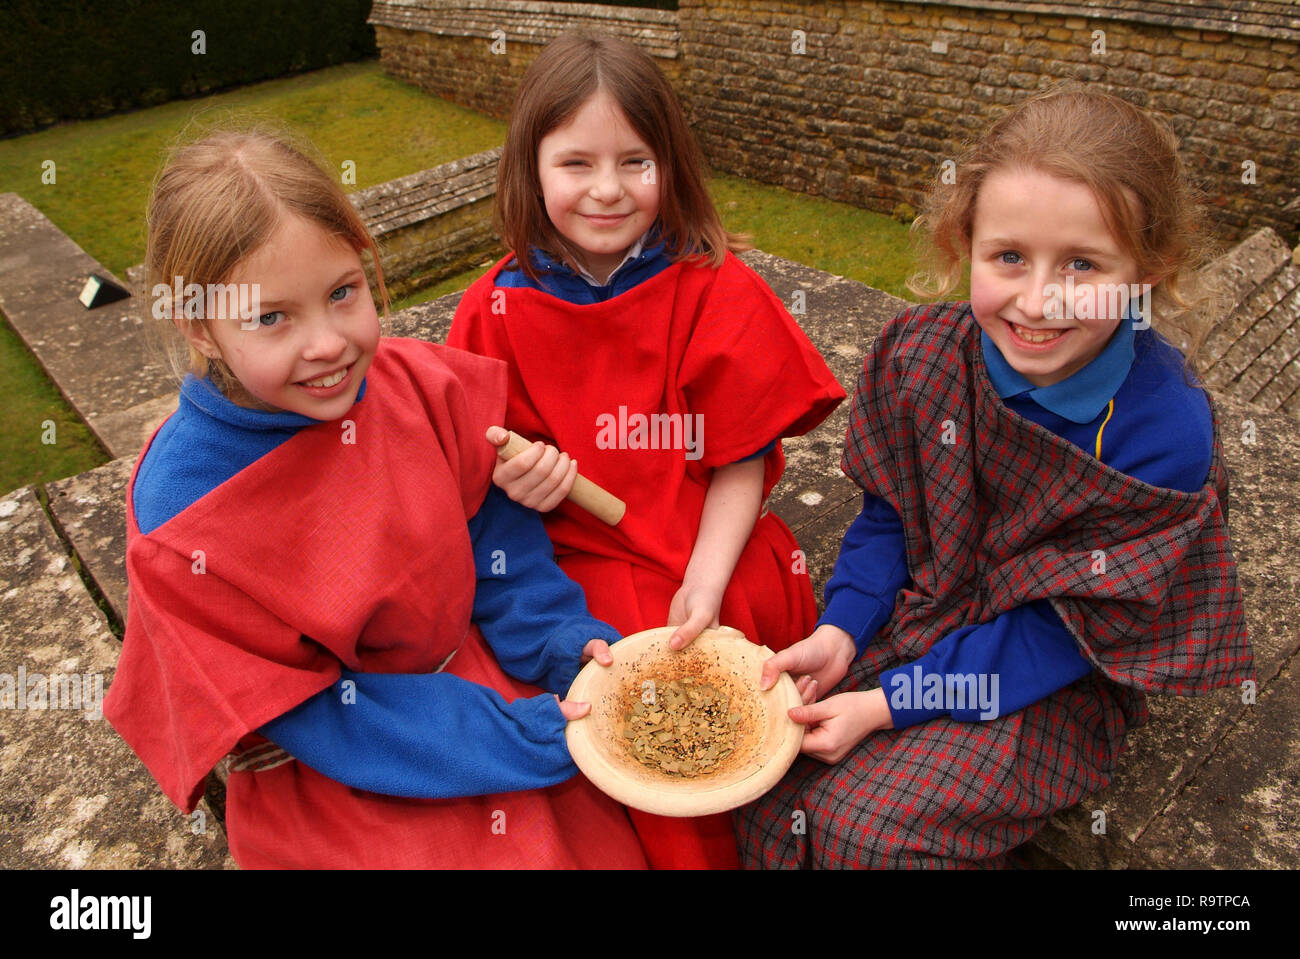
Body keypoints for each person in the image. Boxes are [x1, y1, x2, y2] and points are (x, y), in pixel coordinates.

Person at [102, 126, 648, 869]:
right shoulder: (181, 514)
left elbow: (495, 537)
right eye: (272, 317)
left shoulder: (416, 386)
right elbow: (308, 709)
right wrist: (512, 737)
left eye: (341, 292)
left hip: (483, 680)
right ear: (200, 327)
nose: (328, 343)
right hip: (344, 752)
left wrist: (555, 640)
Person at [736, 87, 1254, 868]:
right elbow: (888, 519)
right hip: (925, 610)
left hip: (1055, 671)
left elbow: (1065, 632)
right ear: (963, 243)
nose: (1039, 299)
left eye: (1082, 264)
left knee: (864, 830)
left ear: (1149, 269)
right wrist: (842, 627)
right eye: (1009, 256)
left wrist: (889, 704)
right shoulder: (921, 355)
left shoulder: (1162, 434)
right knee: (764, 778)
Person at [446, 32, 845, 868]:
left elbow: (742, 452)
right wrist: (522, 480)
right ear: (531, 168)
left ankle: (773, 818)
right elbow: (475, 478)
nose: (606, 189)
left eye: (635, 161)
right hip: (579, 551)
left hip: (707, 534)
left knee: (734, 620)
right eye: (576, 163)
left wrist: (705, 572)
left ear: (671, 165)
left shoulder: (712, 284)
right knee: (620, 672)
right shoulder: (493, 309)